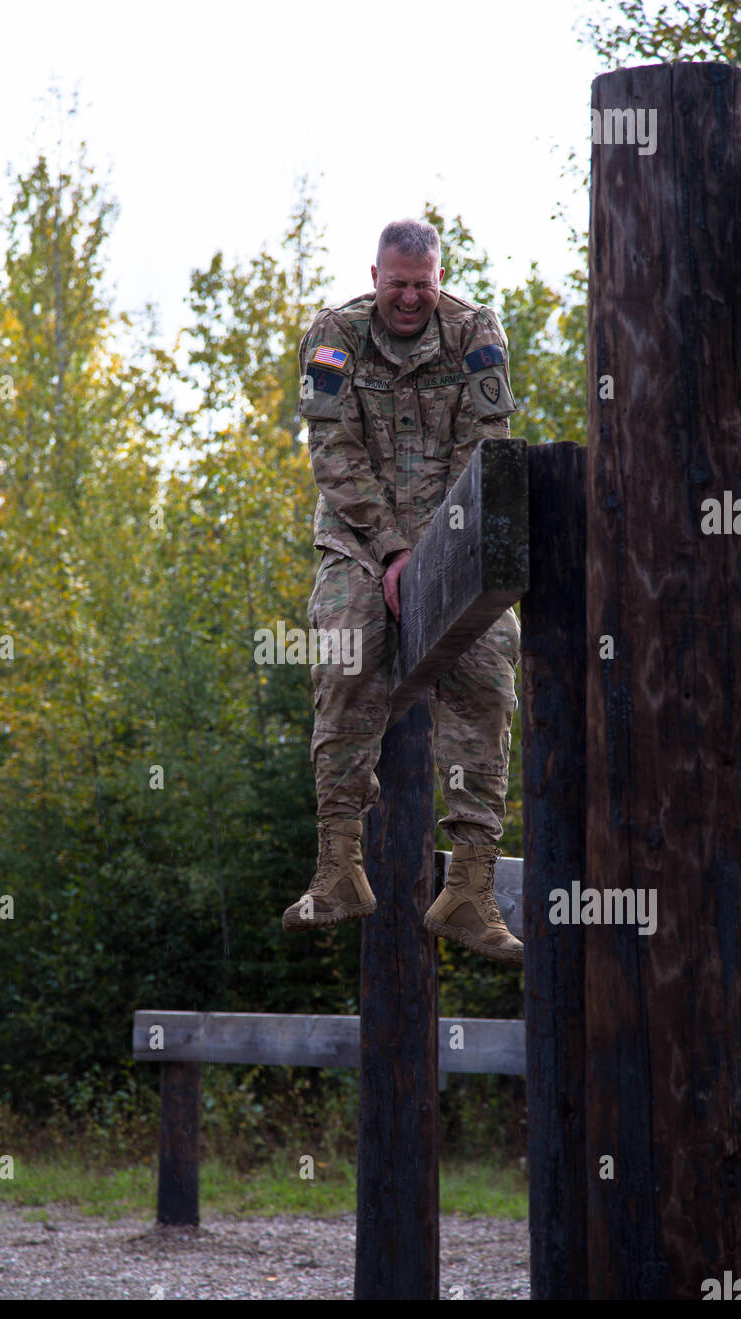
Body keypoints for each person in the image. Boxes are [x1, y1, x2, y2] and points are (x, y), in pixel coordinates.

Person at [281, 218, 523, 966]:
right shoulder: (335, 336)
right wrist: (390, 549)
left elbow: (484, 441)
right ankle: (338, 864)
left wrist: (434, 550)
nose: (411, 298)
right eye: (398, 284)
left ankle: (471, 888)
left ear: (438, 278)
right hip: (359, 540)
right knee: (345, 655)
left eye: (424, 284)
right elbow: (333, 452)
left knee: (488, 668)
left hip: (451, 537)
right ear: (375, 276)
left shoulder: (475, 333)